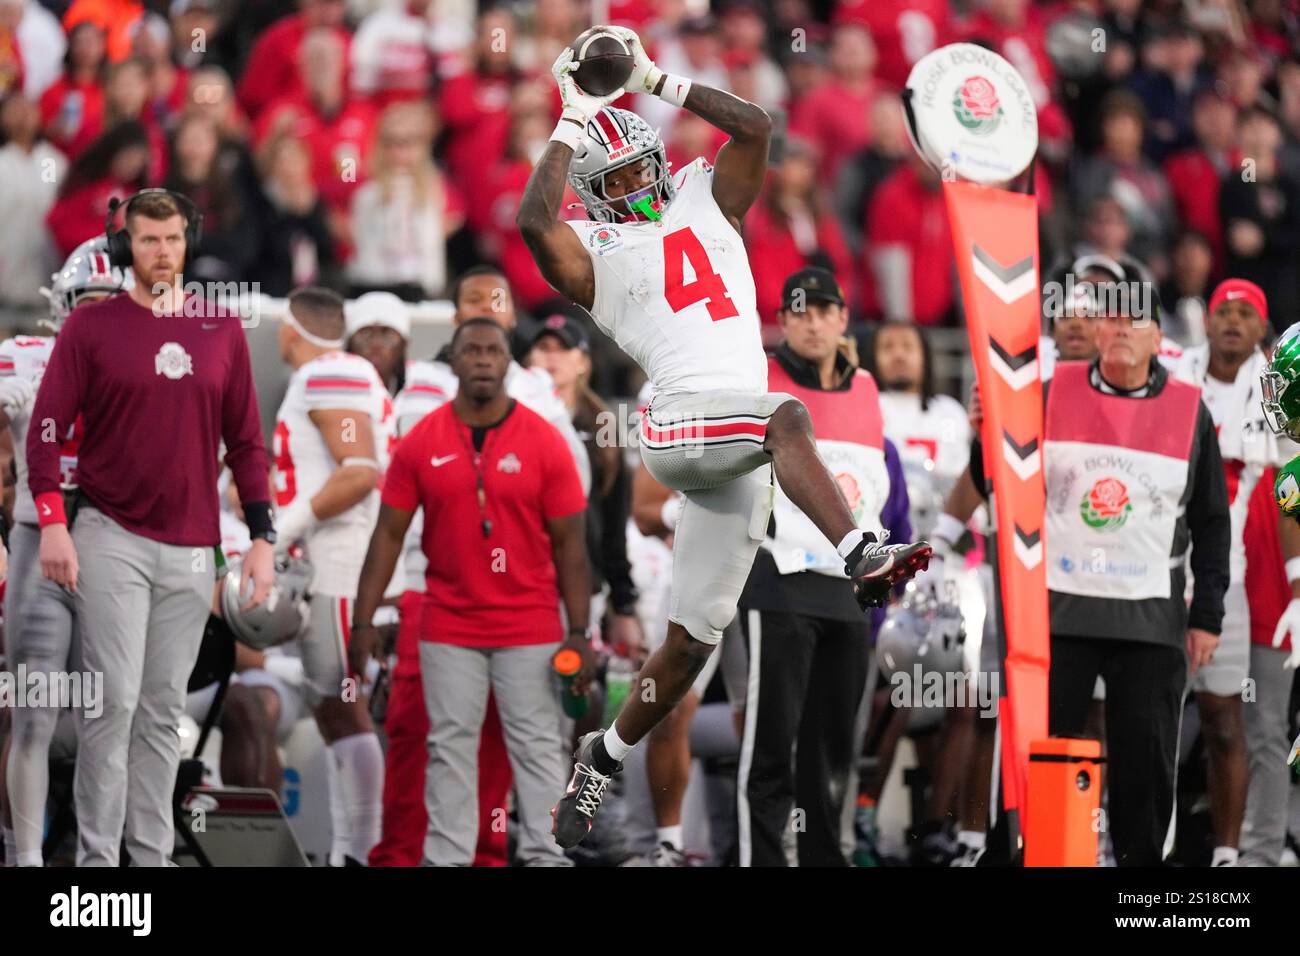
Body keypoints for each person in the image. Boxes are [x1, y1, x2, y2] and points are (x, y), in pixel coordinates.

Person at [516, 26, 931, 847]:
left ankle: (602, 756)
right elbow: (536, 222)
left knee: (690, 643)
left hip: (737, 446)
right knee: (785, 414)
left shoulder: (707, 195)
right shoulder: (598, 248)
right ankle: (860, 554)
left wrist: (648, 76)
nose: (639, 184)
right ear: (595, 196)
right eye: (620, 179)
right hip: (678, 425)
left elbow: (756, 127)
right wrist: (573, 114)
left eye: (645, 168)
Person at [29, 188, 276, 866]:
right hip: (110, 534)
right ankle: (99, 865)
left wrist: (261, 538)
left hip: (194, 546)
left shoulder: (220, 328)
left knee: (164, 710)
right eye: (147, 240)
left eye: (171, 239)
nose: (161, 253)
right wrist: (52, 520)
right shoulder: (92, 328)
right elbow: (45, 432)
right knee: (112, 705)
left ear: (186, 242)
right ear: (124, 248)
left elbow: (247, 443)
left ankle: (151, 857)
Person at [350, 318, 592, 867]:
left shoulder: (544, 441)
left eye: (492, 351)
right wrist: (362, 621)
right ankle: (447, 860)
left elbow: (572, 547)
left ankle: (545, 858)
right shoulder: (422, 440)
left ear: (508, 363)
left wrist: (579, 632)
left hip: (529, 624)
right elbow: (387, 534)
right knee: (448, 749)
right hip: (449, 622)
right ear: (453, 362)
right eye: (471, 350)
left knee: (535, 748)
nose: (482, 359)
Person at [1040, 279, 1230, 866]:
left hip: (1150, 621)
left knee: (1143, 770)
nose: (1121, 330)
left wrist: (1206, 616)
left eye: (1135, 323)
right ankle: (1047, 856)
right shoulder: (1051, 392)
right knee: (1051, 757)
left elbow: (1211, 521)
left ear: (1156, 338)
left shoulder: (1188, 408)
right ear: (1098, 331)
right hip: (1060, 614)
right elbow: (1001, 478)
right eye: (1112, 321)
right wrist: (981, 434)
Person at [735, 267, 912, 866]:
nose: (811, 322)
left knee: (832, 751)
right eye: (798, 312)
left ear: (842, 319)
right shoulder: (761, 379)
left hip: (848, 593)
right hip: (779, 582)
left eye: (823, 310)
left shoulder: (867, 389)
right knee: (770, 750)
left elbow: (885, 494)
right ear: (782, 321)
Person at [0, 236, 128, 867]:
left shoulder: (142, 366)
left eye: (110, 304)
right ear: (64, 305)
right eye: (88, 304)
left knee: (106, 719)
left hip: (112, 543)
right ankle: (24, 859)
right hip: (35, 537)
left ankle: (93, 861)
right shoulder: (23, 358)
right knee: (32, 714)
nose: (98, 317)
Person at [1179, 278, 1299, 865]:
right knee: (1172, 715)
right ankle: (1149, 842)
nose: (1231, 321)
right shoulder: (1175, 374)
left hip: (1266, 576)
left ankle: (1259, 854)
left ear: (1262, 328)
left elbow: (1293, 489)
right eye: (1221, 310)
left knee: (1262, 725)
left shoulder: (1281, 389)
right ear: (1206, 322)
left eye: (1244, 313)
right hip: (1184, 566)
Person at [271, 285, 388, 867]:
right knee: (335, 707)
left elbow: (359, 471)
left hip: (339, 566)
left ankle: (358, 853)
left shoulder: (329, 372)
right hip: (335, 563)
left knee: (343, 708)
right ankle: (352, 850)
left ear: (291, 330)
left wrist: (279, 534)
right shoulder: (337, 373)